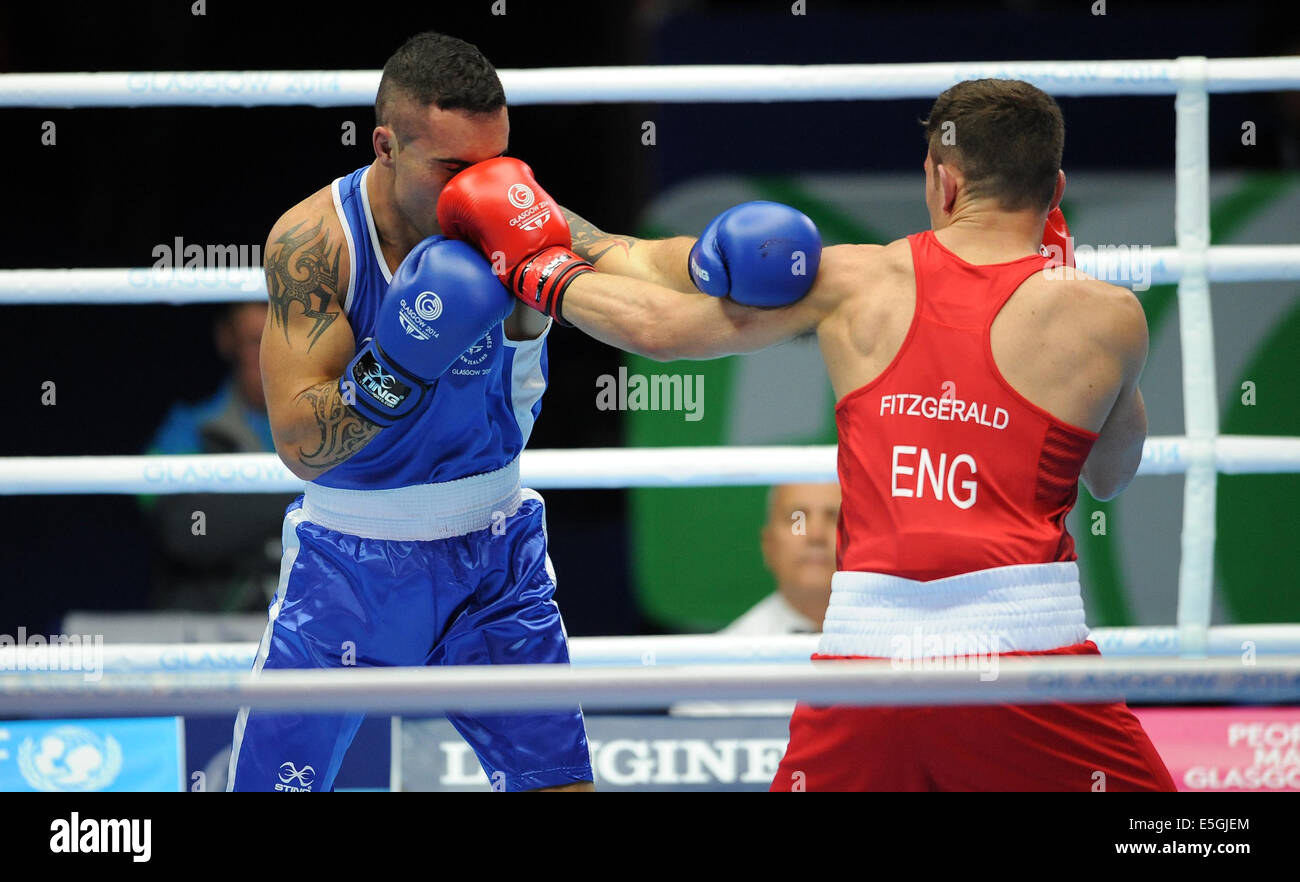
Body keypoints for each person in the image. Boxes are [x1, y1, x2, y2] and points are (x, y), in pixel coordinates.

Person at [447, 78, 1175, 791]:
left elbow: (657, 328)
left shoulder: (856, 279)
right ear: (1056, 187)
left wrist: (533, 252)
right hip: (1029, 655)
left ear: (943, 182)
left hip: (870, 660)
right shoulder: (1109, 315)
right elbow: (1111, 475)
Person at [229, 31, 819, 792]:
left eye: (493, 163)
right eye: (452, 168)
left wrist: (711, 260)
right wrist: (397, 368)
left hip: (492, 557)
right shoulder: (316, 243)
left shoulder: (506, 216)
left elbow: (632, 258)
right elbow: (301, 445)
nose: (477, 188)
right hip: (349, 560)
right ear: (384, 145)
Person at [141, 302, 290, 614]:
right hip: (214, 635)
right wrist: (302, 495)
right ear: (227, 340)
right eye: (253, 341)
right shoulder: (186, 430)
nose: (267, 355)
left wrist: (234, 524)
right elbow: (181, 530)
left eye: (279, 339)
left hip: (307, 635)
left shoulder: (334, 428)